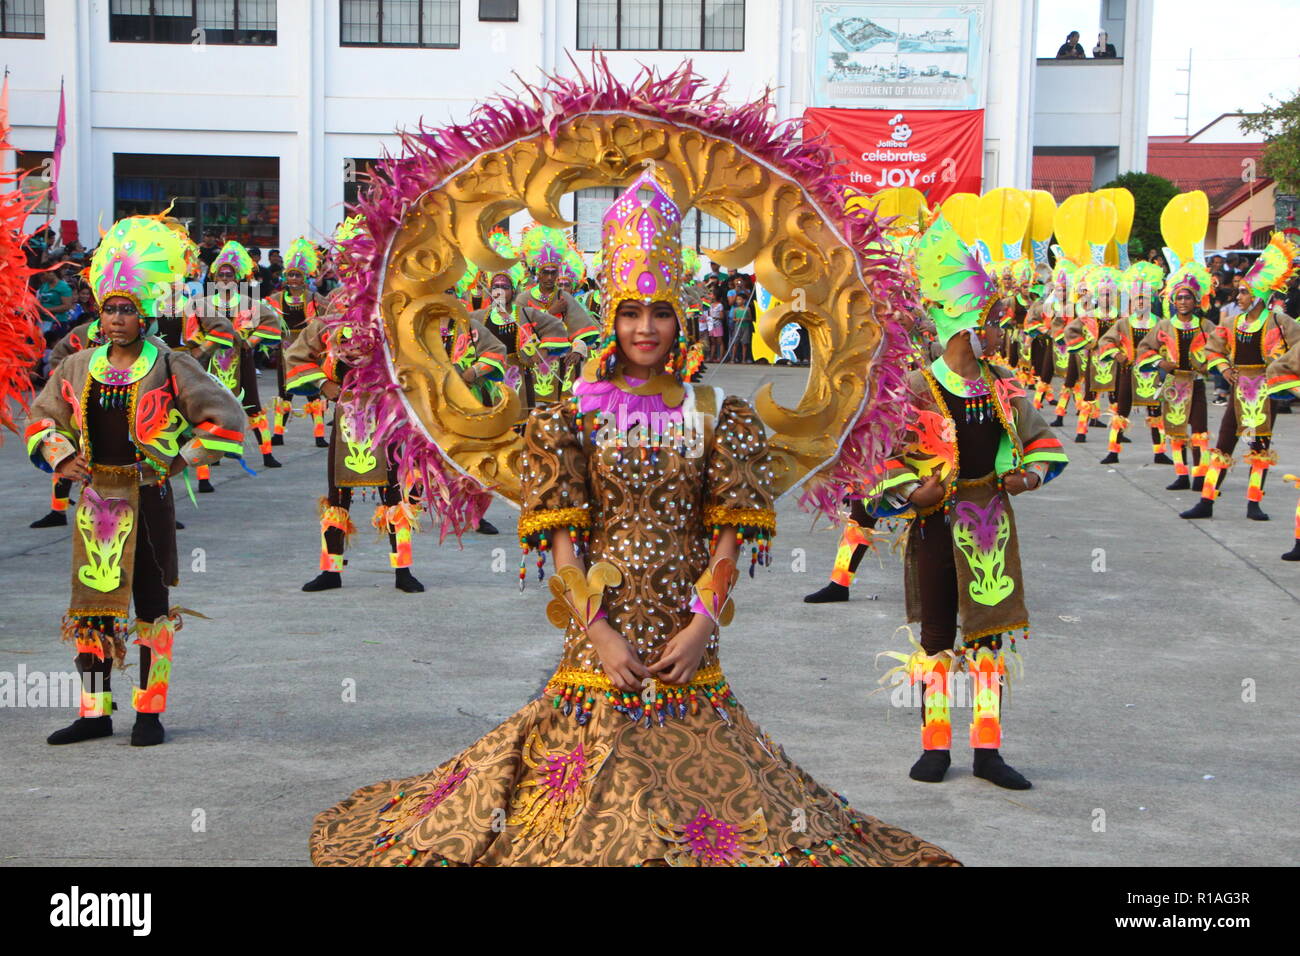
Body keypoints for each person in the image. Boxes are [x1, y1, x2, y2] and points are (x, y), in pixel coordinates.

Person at [310, 164, 957, 866]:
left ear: (681, 318)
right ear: (611, 318)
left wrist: (702, 626)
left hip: (688, 634)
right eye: (630, 313)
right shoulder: (570, 417)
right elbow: (563, 542)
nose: (645, 328)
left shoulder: (718, 414)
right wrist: (600, 635)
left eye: (659, 313)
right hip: (600, 637)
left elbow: (728, 538)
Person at [23, 216, 245, 747]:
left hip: (147, 499)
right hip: (95, 501)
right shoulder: (78, 365)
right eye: (110, 309)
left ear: (143, 315)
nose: (117, 319)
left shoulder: (169, 364)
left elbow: (226, 418)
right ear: (98, 314)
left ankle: (150, 712)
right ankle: (94, 712)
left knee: (150, 605)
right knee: (92, 607)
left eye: (127, 310)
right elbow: (43, 417)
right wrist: (61, 456)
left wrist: (178, 460)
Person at [867, 216, 1067, 791]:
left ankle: (987, 750)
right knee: (936, 636)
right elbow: (884, 459)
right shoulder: (915, 388)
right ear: (966, 329)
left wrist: (1028, 478)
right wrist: (913, 493)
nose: (1001, 334)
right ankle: (934, 746)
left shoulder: (1003, 384)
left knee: (988, 637)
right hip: (935, 524)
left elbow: (1043, 442)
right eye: (993, 324)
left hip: (989, 527)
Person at [1183, 234, 1300, 521]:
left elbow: (1297, 347)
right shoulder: (1232, 322)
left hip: (1265, 395)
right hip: (1238, 393)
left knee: (1259, 447)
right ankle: (1206, 500)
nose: (1238, 297)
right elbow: (1213, 348)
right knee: (1223, 444)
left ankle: (1253, 503)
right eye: (1239, 292)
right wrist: (1224, 369)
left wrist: (1280, 372)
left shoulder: (1279, 322)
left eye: (1244, 292)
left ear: (1258, 295)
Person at [185, 240, 282, 483]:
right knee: (209, 411)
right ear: (214, 278)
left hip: (242, 361)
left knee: (252, 406)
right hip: (211, 364)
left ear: (237, 279)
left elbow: (271, 322)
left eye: (229, 275)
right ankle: (206, 471)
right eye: (221, 275)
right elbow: (191, 331)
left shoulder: (249, 303)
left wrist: (251, 342)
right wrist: (205, 346)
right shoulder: (203, 303)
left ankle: (267, 454)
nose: (225, 279)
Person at [264, 237, 332, 448]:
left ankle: (319, 435)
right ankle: (278, 433)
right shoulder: (275, 299)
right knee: (285, 392)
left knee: (313, 391)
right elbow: (263, 319)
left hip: (308, 350)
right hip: (285, 351)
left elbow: (327, 319)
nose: (293, 278)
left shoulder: (314, 298)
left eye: (297, 275)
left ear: (305, 278)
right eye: (290, 274)